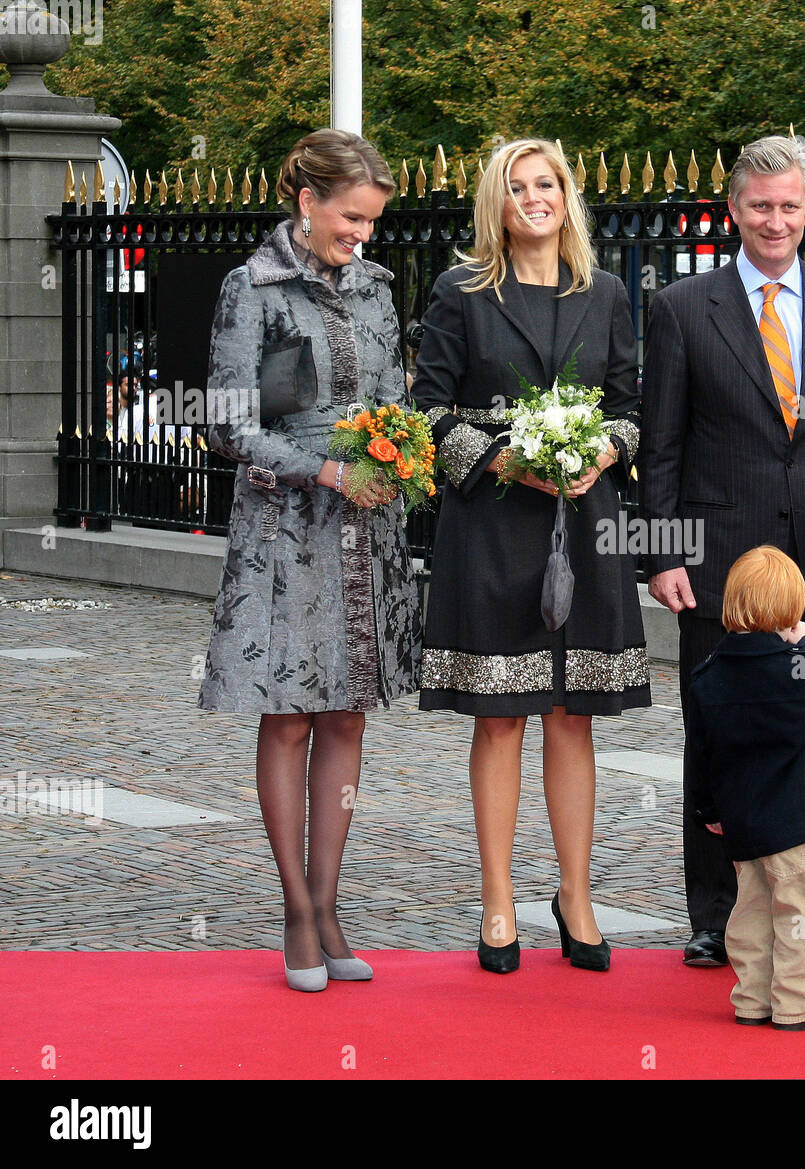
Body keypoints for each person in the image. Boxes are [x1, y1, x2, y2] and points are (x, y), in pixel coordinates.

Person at [639, 134, 805, 967]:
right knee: (718, 734)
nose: (774, 220)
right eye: (759, 206)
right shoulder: (683, 307)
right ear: (734, 208)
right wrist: (662, 552)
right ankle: (716, 915)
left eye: (788, 206)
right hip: (718, 563)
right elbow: (662, 441)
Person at [411, 138, 649, 975]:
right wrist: (504, 460)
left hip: (584, 520)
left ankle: (576, 896)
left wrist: (604, 450)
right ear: (497, 204)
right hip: (492, 522)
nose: (534, 197)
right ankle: (499, 898)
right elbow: (427, 409)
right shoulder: (460, 291)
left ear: (566, 195)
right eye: (517, 187)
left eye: (546, 183)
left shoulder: (605, 291)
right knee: (501, 714)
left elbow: (630, 406)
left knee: (573, 714)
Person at [198, 129, 421, 992]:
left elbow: (395, 398)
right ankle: (295, 908)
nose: (361, 235)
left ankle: (329, 905)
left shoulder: (377, 288)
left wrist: (399, 453)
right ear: (307, 201)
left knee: (347, 717)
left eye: (371, 222)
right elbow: (227, 424)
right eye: (351, 218)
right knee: (289, 714)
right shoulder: (251, 287)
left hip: (366, 528)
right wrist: (324, 469)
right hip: (286, 529)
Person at [688, 546, 805, 1030]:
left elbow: (700, 753)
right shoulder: (798, 667)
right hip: (801, 819)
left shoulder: (709, 673)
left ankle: (752, 999)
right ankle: (795, 1004)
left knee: (752, 912)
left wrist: (708, 810)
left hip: (744, 821)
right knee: (802, 912)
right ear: (791, 605)